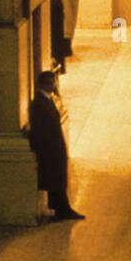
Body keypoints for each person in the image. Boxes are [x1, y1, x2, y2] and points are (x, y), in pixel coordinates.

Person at [27, 70, 84, 221]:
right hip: (50, 148)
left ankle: (61, 208)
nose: (53, 86)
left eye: (53, 82)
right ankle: (62, 209)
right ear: (42, 85)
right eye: (50, 83)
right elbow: (40, 129)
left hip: (54, 147)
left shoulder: (47, 100)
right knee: (55, 179)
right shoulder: (39, 103)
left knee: (57, 179)